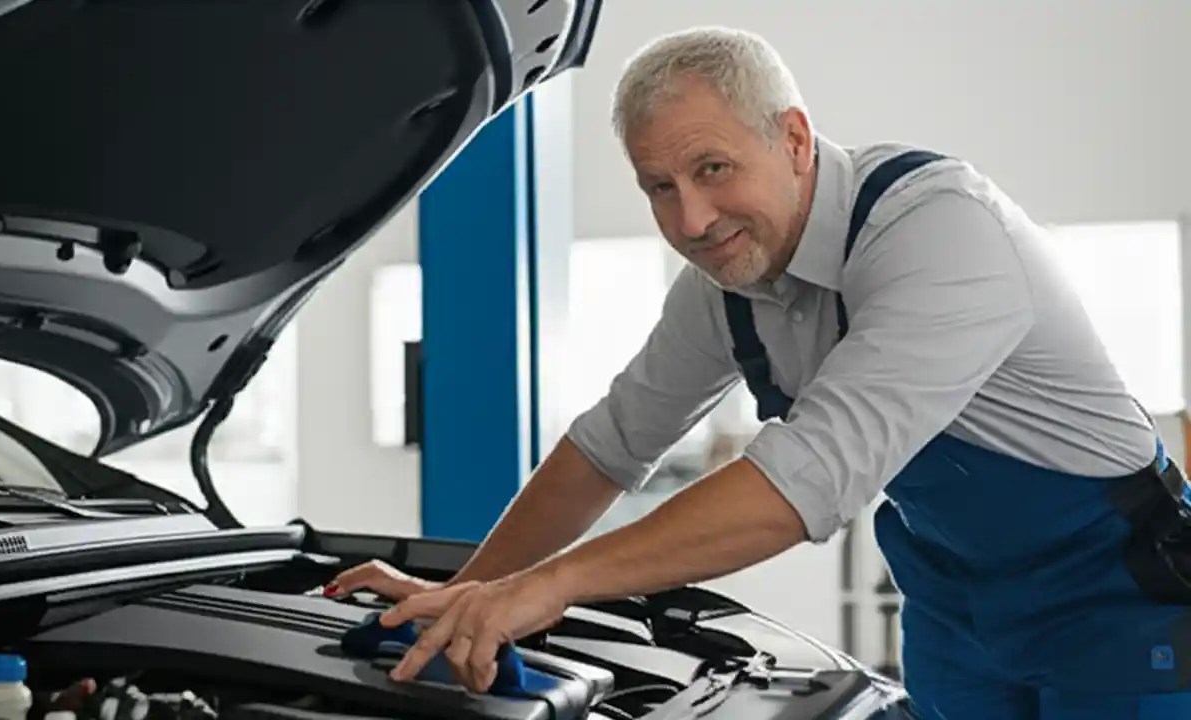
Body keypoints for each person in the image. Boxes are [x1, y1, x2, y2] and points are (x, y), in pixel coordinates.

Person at [327, 26, 1191, 719]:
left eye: (712, 169)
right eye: (659, 187)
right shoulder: (727, 285)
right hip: (956, 607)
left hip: (1114, 597)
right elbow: (610, 445)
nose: (692, 220)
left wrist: (546, 588)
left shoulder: (941, 231)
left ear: (794, 139)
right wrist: (467, 594)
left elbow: (804, 478)